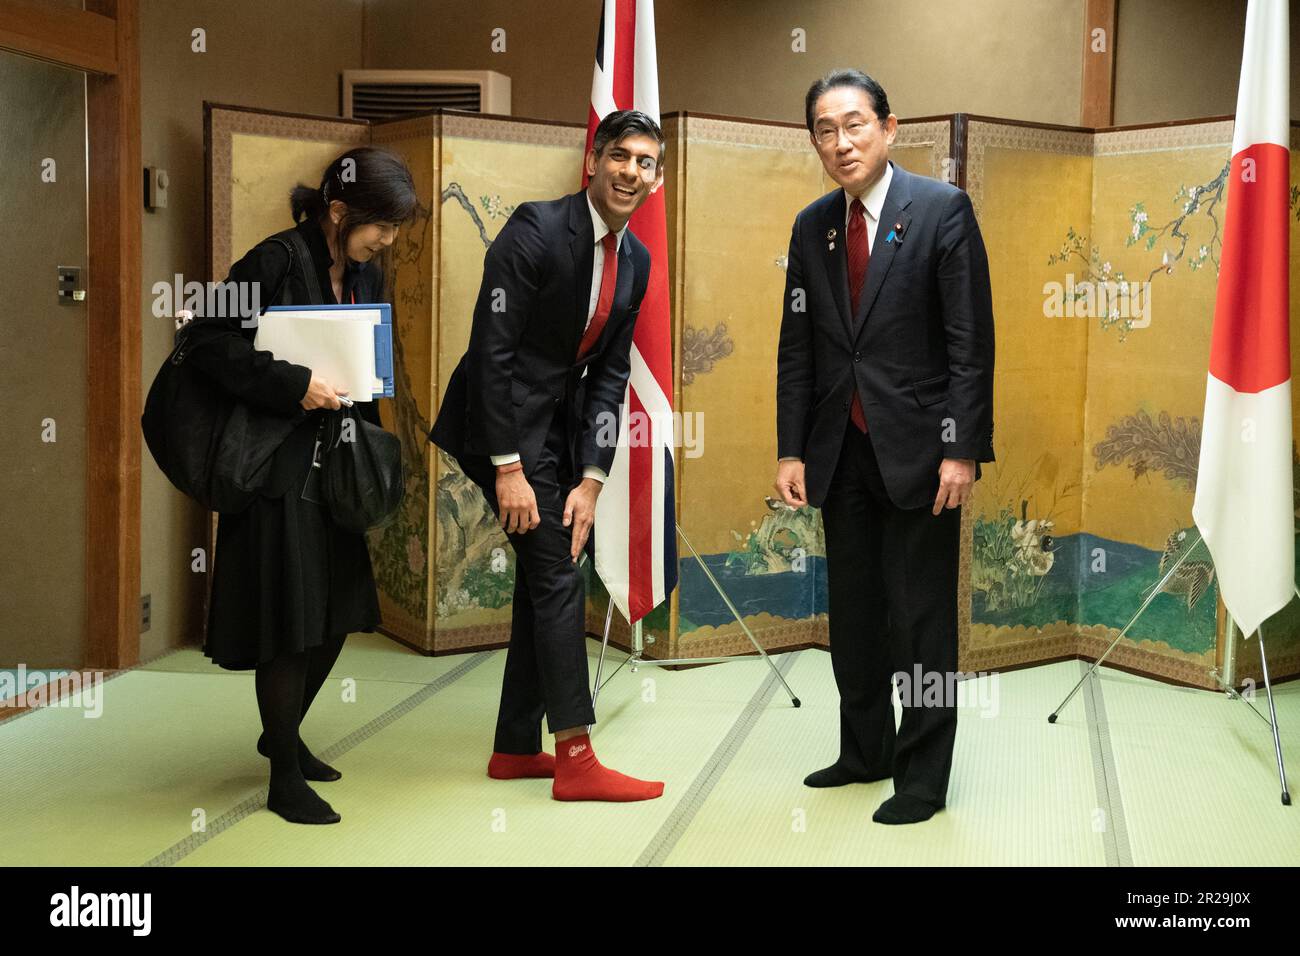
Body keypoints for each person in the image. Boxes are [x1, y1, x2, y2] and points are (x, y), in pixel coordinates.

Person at [774, 70, 995, 825]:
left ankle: (923, 775)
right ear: (814, 141)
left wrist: (961, 449)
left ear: (889, 128)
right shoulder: (812, 227)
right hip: (840, 450)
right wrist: (790, 449)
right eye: (826, 130)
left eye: (855, 124)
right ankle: (863, 750)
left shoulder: (941, 211)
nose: (842, 142)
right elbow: (797, 349)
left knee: (923, 619)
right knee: (856, 614)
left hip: (924, 454)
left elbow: (971, 343)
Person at [429, 110, 665, 802]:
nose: (631, 172)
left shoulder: (638, 260)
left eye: (647, 162)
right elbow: (492, 354)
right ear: (593, 160)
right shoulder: (535, 229)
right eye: (620, 156)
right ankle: (576, 756)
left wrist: (591, 478)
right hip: (496, 422)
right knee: (557, 571)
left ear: (657, 178)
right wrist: (508, 468)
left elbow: (612, 374)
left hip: (559, 432)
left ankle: (512, 746)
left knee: (551, 571)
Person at [185, 146, 417, 824]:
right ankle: (283, 775)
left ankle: (279, 732)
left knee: (338, 617)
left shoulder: (365, 273)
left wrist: (376, 455)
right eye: (381, 224)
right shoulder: (274, 260)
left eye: (398, 228)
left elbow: (368, 364)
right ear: (338, 210)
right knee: (289, 623)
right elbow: (204, 340)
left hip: (338, 466)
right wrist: (293, 384)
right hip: (277, 470)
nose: (389, 240)